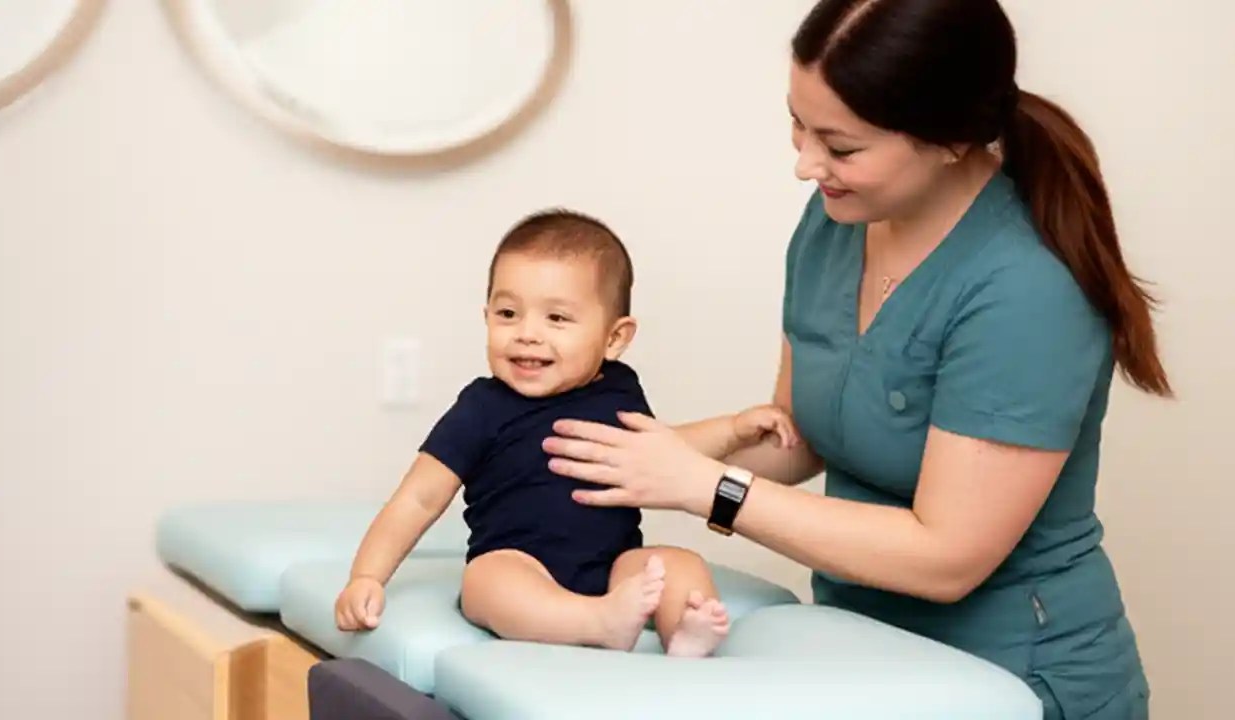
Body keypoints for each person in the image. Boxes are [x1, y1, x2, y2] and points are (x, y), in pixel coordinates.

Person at [542, 0, 1167, 717]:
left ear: (951, 139)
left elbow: (946, 558)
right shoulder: (838, 220)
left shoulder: (1028, 286)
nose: (806, 165)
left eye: (840, 147)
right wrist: (617, 459)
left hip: (1013, 677)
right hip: (862, 653)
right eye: (798, 124)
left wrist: (705, 487)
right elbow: (798, 432)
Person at [335, 209, 794, 657]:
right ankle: (598, 623)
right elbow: (417, 498)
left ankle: (686, 636)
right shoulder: (481, 406)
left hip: (613, 564)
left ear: (614, 339)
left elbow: (667, 451)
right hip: (519, 561)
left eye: (556, 319)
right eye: (508, 313)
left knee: (679, 564)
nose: (527, 334)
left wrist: (733, 430)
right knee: (486, 583)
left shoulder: (620, 389)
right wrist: (367, 576)